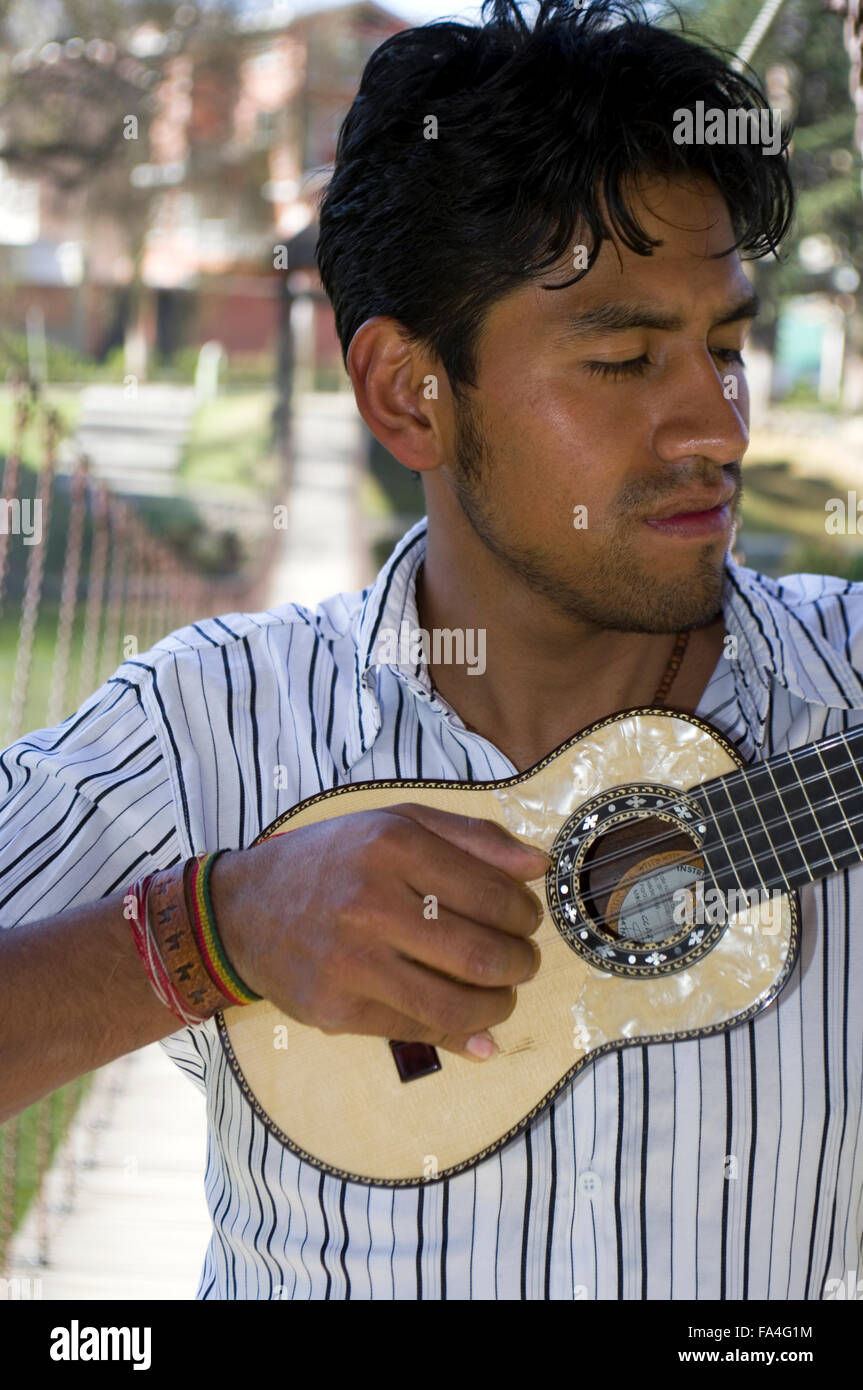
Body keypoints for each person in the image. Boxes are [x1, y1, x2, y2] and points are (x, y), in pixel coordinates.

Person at [2, 0, 861, 1301]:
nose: (719, 428)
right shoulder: (213, 722)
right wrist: (212, 931)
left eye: (729, 349)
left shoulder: (843, 690)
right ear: (411, 392)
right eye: (628, 359)